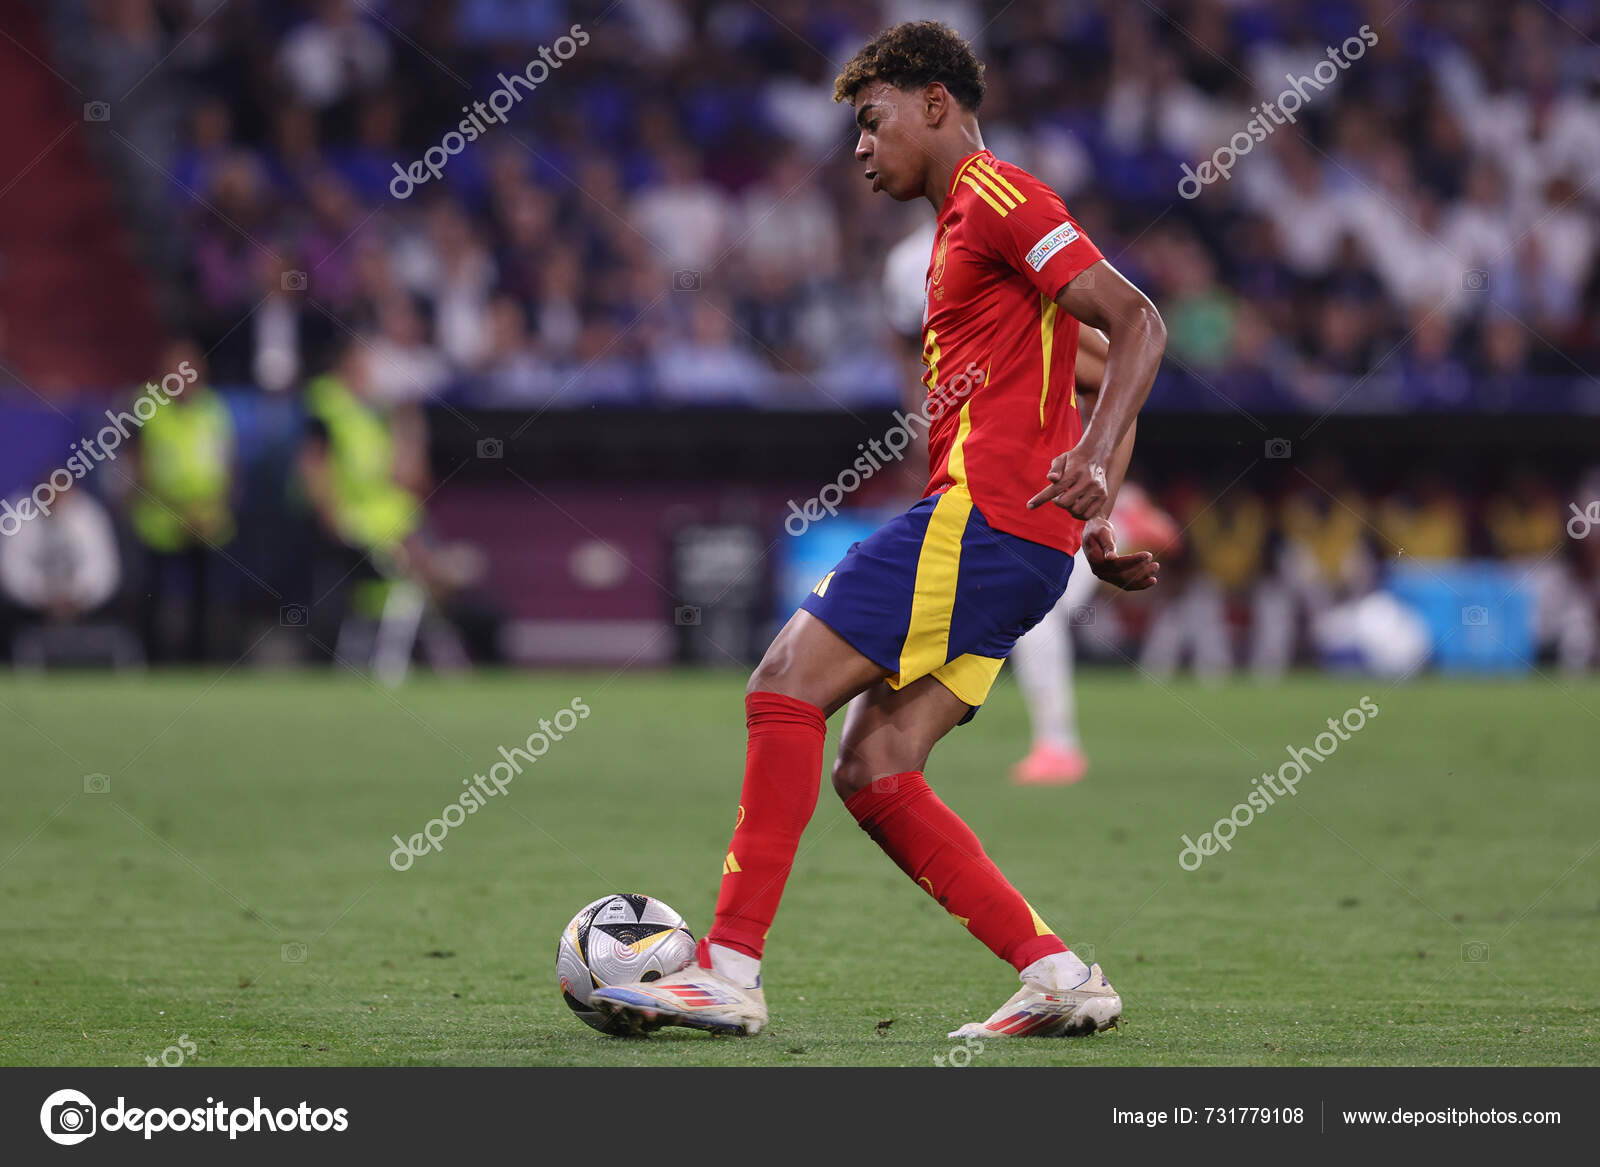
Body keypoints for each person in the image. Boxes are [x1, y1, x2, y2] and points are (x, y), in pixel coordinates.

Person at [592, 21, 1166, 1040]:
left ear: (934, 103)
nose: (860, 147)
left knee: (780, 685)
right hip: (1017, 545)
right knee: (875, 768)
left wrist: (1089, 470)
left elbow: (1139, 323)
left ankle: (726, 969)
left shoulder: (997, 196)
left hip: (980, 522)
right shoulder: (958, 239)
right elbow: (1093, 369)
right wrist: (1095, 511)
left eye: (872, 120)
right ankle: (1059, 976)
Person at [1008, 324, 1180, 784]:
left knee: (1039, 621)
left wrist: (1114, 515)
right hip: (1046, 512)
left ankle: (1057, 746)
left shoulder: (1064, 336)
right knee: (1033, 621)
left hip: (1075, 515)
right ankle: (1055, 745)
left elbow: (1116, 386)